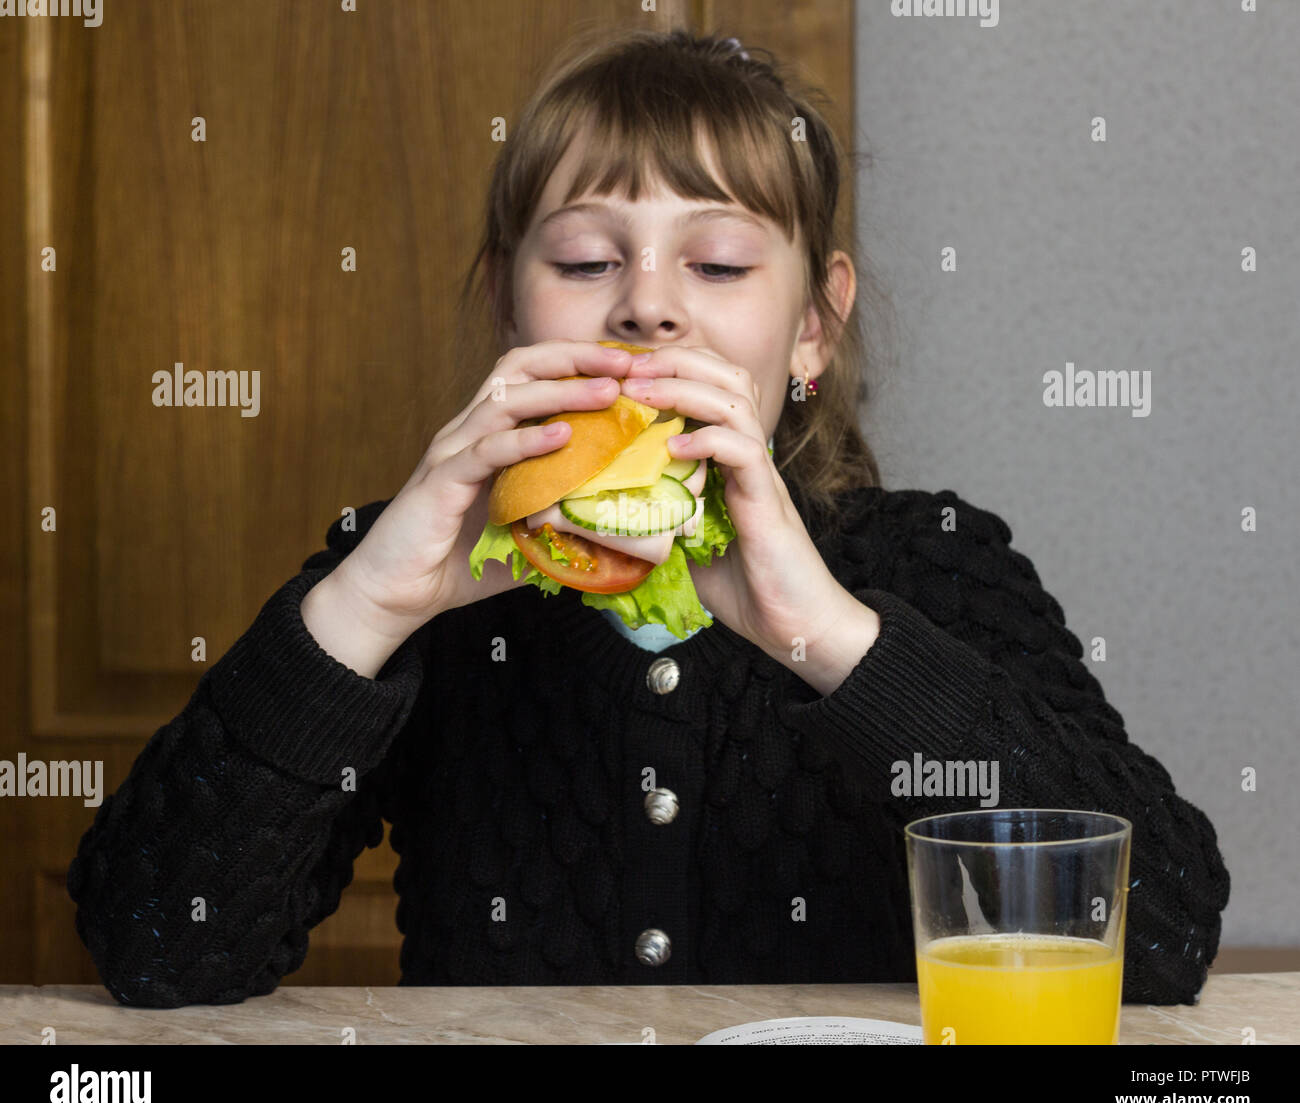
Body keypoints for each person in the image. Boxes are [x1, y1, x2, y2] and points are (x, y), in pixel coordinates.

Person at [67, 28, 1228, 1009]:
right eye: (585, 260)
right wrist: (366, 607)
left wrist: (829, 637)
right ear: (507, 305)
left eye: (716, 264)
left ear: (813, 329)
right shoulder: (409, 587)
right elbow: (155, 948)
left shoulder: (932, 563)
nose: (648, 308)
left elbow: (1163, 937)